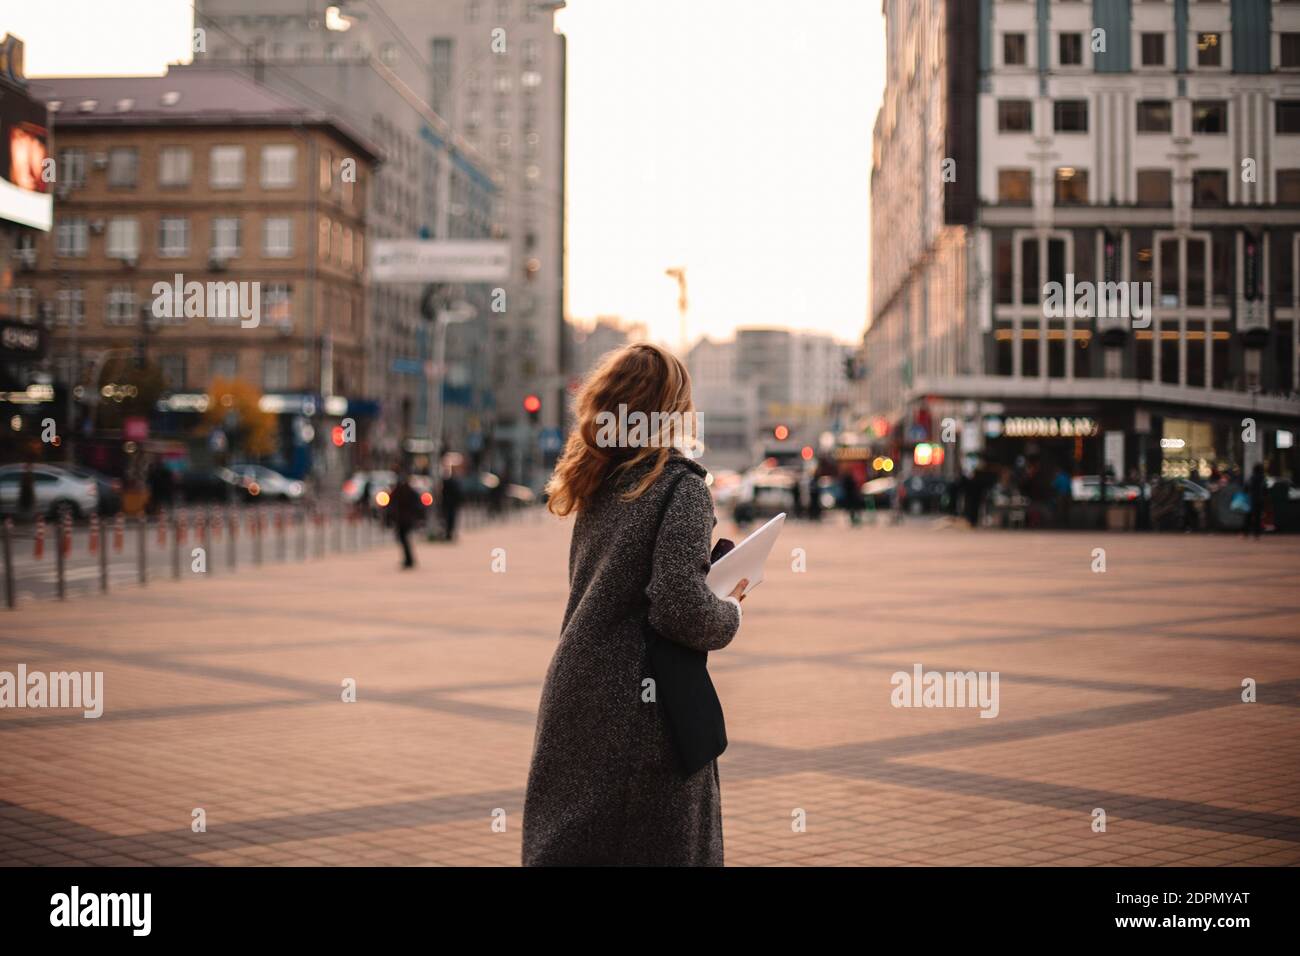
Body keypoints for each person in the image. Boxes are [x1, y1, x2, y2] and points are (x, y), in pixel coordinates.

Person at [522, 342, 748, 867]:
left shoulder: (598, 481)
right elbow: (678, 607)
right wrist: (730, 606)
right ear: (671, 410)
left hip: (576, 695)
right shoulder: (680, 487)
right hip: (644, 714)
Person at [390, 470, 421, 568]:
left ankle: (409, 559)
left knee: (403, 539)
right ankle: (409, 559)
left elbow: (392, 505)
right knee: (404, 539)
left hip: (403, 519)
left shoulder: (401, 491)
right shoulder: (407, 491)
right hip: (405, 519)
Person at [439, 466, 464, 541]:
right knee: (450, 520)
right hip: (451, 504)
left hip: (448, 503)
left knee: (448, 519)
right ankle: (449, 534)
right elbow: (458, 494)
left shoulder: (447, 482)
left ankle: (448, 534)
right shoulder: (454, 482)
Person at [1245, 462, 1268, 540]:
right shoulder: (1263, 478)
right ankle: (1257, 533)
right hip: (1260, 499)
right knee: (1258, 517)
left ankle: (1246, 532)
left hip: (1251, 499)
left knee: (1249, 516)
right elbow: (1265, 489)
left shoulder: (1252, 477)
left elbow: (1246, 487)